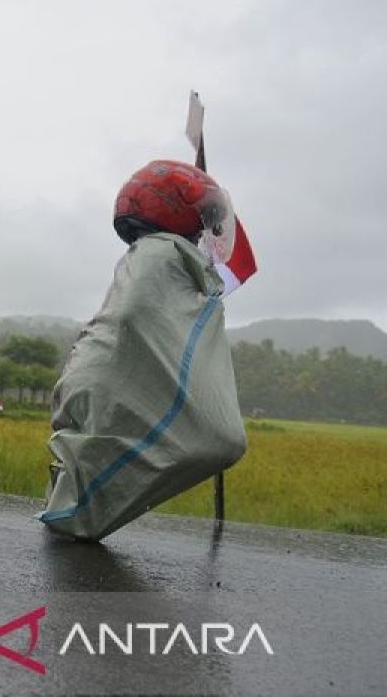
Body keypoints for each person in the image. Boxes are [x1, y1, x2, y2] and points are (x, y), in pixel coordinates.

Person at [38, 160, 248, 541]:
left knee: (84, 483)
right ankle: (72, 522)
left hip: (93, 378)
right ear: (173, 208)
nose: (204, 232)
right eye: (202, 220)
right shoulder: (159, 255)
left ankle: (72, 521)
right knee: (84, 495)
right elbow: (133, 313)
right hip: (101, 381)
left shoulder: (161, 256)